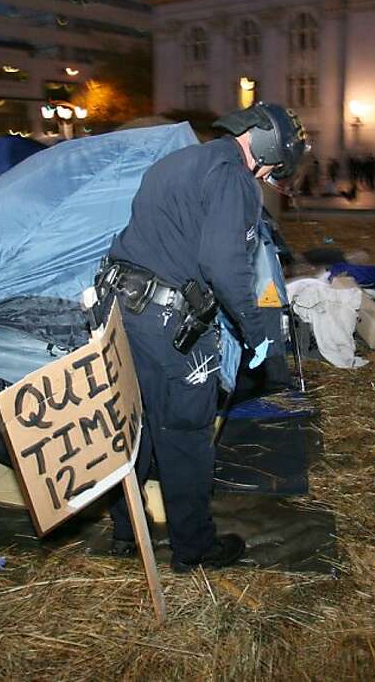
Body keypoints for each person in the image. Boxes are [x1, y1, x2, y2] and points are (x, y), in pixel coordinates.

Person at [99, 101, 306, 572]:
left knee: (137, 422)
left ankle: (126, 530)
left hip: (122, 311)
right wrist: (258, 336)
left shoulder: (178, 160)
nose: (269, 174)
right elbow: (225, 267)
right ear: (270, 145)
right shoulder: (234, 178)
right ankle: (193, 548)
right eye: (274, 165)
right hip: (169, 323)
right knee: (187, 435)